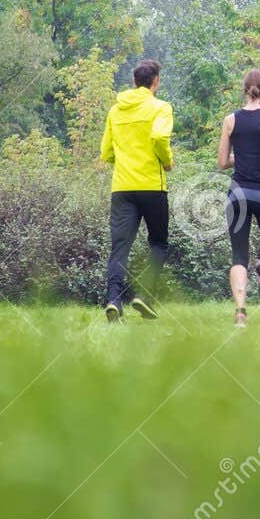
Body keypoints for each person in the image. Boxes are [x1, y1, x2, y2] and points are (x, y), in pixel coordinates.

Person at [100, 59, 173, 323]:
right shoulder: (161, 108)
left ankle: (113, 302)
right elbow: (159, 138)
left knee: (120, 247)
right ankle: (144, 295)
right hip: (152, 186)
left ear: (134, 82)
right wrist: (166, 160)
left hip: (122, 188)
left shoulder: (115, 111)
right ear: (155, 82)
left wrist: (125, 162)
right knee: (158, 243)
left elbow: (106, 152)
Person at [216, 69, 260, 327]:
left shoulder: (230, 120)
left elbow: (223, 162)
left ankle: (240, 313)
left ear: (244, 90)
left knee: (238, 256)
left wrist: (243, 157)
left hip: (238, 195)